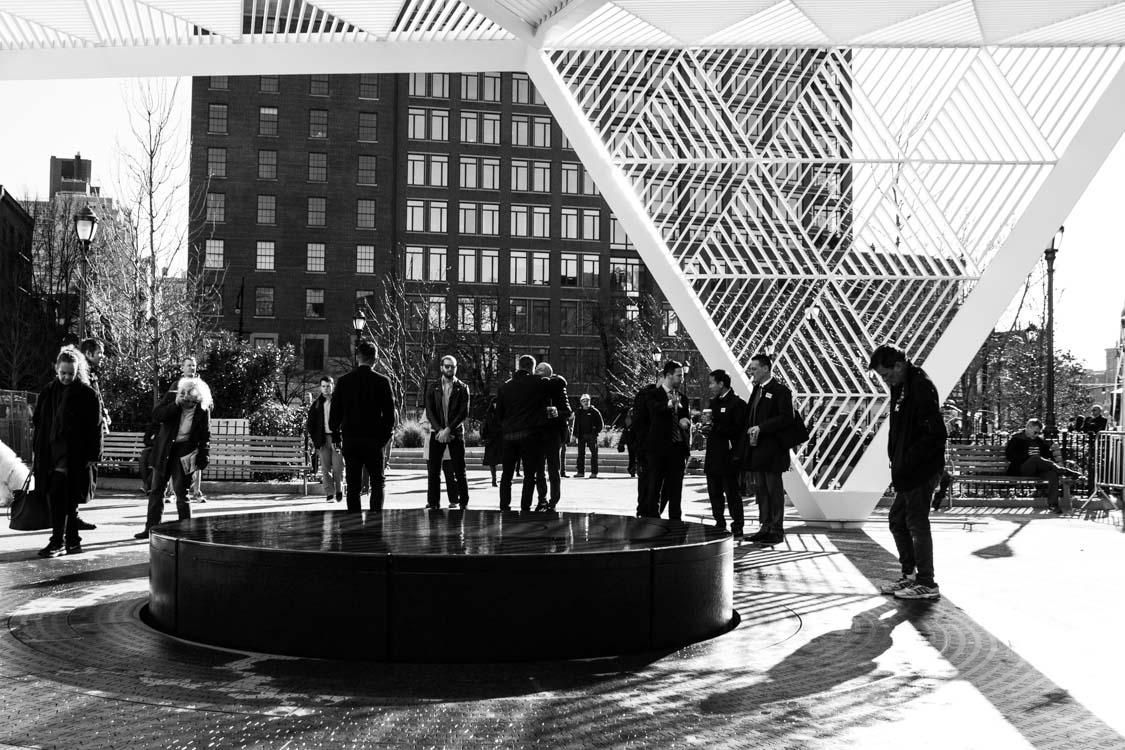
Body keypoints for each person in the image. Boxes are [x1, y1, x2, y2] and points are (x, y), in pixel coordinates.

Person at [869, 344, 946, 601]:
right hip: (906, 467)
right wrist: (897, 459)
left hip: (920, 468)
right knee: (898, 520)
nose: (885, 380)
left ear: (899, 365)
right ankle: (911, 575)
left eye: (887, 374)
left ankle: (926, 580)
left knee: (915, 521)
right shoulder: (901, 387)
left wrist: (908, 460)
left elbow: (935, 433)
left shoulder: (920, 386)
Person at [32, 346, 102, 557]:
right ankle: (72, 540)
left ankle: (58, 541)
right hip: (52, 453)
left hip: (72, 454)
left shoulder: (87, 394)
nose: (66, 377)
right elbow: (38, 421)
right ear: (56, 369)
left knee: (59, 496)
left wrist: (93, 456)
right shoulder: (48, 391)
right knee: (67, 499)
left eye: (70, 374)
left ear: (77, 370)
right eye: (63, 373)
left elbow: (96, 427)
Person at [134, 377, 212, 539]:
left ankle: (186, 531)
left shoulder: (202, 409)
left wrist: (204, 455)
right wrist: (175, 405)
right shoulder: (172, 399)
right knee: (156, 490)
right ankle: (151, 529)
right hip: (164, 449)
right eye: (184, 395)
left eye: (191, 399)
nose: (187, 401)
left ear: (198, 398)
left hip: (185, 450)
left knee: (181, 492)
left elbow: (205, 434)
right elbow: (157, 415)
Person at [329, 341, 396, 512]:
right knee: (377, 482)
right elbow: (389, 417)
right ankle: (375, 521)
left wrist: (337, 437)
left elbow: (334, 416)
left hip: (351, 440)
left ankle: (353, 525)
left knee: (353, 484)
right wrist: (382, 440)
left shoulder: (344, 382)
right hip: (374, 441)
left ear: (357, 358)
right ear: (375, 359)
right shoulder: (383, 382)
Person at [742, 354, 794, 545]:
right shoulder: (757, 390)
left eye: (754, 369)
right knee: (762, 490)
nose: (751, 372)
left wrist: (762, 428)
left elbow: (786, 418)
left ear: (765, 369)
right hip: (758, 450)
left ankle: (777, 529)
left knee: (774, 489)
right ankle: (765, 526)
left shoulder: (781, 391)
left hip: (774, 451)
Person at [495, 354, 550, 512]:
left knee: (507, 474)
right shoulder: (538, 383)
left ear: (518, 366)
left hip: (509, 436)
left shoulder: (505, 387)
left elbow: (499, 414)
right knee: (529, 474)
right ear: (532, 368)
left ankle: (504, 505)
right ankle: (525, 506)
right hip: (529, 435)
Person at [637, 360, 690, 520]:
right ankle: (653, 520)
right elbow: (653, 410)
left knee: (675, 490)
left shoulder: (683, 398)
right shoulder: (652, 395)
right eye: (679, 375)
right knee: (655, 487)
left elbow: (684, 417)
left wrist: (685, 422)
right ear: (668, 375)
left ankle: (675, 522)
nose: (682, 379)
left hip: (677, 449)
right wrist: (669, 403)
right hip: (658, 450)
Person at [424, 355, 470, 510]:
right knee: (433, 471)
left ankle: (463, 502)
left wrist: (449, 429)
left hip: (455, 433)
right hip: (436, 433)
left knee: (460, 470)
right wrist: (440, 430)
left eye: (453, 366)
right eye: (447, 366)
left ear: (456, 368)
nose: (450, 369)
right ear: (441, 367)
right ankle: (433, 503)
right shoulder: (432, 387)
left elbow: (463, 413)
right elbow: (429, 412)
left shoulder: (463, 388)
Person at [703, 369, 746, 538]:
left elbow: (738, 430)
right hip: (713, 454)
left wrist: (716, 427)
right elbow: (712, 427)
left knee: (732, 492)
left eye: (712, 383)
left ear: (722, 384)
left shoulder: (737, 403)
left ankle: (738, 526)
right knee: (714, 492)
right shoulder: (713, 403)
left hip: (729, 456)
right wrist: (706, 429)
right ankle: (719, 522)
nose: (710, 386)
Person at [1004, 418, 1080, 512]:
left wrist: (1047, 456)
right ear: (1028, 427)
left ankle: (1053, 505)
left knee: (1053, 474)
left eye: (1038, 433)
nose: (1036, 435)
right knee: (1035, 458)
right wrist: (1029, 458)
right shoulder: (1016, 439)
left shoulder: (1039, 441)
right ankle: (1064, 471)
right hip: (1022, 469)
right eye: (1035, 432)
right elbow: (1010, 456)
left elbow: (1047, 456)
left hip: (1039, 470)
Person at [75, 337, 110, 531]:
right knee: (81, 477)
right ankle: (72, 517)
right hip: (84, 435)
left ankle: (73, 515)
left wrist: (103, 414)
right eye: (99, 353)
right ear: (88, 354)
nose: (102, 356)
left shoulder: (90, 373)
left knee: (84, 477)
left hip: (88, 433)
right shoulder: (83, 374)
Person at [532, 361, 571, 511]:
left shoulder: (557, 387)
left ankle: (553, 500)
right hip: (537, 432)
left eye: (541, 370)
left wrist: (557, 413)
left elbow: (567, 411)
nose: (538, 372)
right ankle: (541, 499)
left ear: (549, 373)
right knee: (539, 469)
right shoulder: (533, 388)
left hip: (553, 432)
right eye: (537, 370)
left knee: (553, 468)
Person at [306, 375, 344, 503]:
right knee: (326, 468)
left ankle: (339, 490)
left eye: (328, 386)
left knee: (338, 467)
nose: (326, 389)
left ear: (332, 386)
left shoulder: (339, 402)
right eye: (323, 386)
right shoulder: (316, 404)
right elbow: (310, 424)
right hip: (323, 440)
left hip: (336, 440)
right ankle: (329, 493)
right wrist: (316, 439)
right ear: (320, 388)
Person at [573, 394, 603, 478]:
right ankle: (580, 472)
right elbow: (575, 424)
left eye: (587, 401)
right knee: (580, 455)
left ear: (590, 401)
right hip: (581, 436)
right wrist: (574, 435)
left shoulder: (595, 411)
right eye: (584, 401)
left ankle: (594, 473)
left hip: (592, 436)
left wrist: (595, 432)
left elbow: (601, 424)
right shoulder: (578, 412)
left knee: (594, 454)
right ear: (581, 402)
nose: (586, 402)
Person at [481, 397, 503, 487]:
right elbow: (485, 426)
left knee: (504, 460)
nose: (496, 405)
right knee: (492, 461)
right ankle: (494, 479)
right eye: (494, 403)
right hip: (491, 440)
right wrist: (484, 437)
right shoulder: (488, 414)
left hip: (500, 439)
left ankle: (504, 478)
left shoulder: (502, 413)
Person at [617, 408, 639, 477]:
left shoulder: (629, 419)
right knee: (633, 456)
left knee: (632, 456)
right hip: (633, 440)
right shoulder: (631, 419)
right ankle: (633, 469)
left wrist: (622, 442)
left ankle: (632, 469)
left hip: (632, 440)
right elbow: (625, 432)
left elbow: (625, 432)